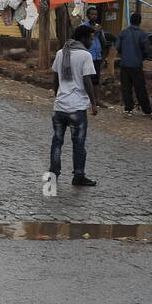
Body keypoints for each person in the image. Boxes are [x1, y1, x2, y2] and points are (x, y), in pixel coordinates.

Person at [49, 23, 100, 187]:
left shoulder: (60, 52)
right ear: (84, 38)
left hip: (60, 107)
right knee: (78, 143)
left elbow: (56, 79)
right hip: (77, 108)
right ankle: (78, 175)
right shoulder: (85, 55)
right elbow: (87, 81)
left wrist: (58, 96)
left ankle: (53, 174)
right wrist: (94, 103)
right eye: (91, 38)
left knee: (57, 142)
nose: (92, 42)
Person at [116, 11, 152, 118]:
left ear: (130, 20)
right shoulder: (142, 34)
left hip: (124, 64)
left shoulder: (123, 33)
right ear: (140, 22)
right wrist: (141, 57)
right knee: (140, 88)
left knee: (126, 87)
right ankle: (146, 109)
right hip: (136, 64)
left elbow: (118, 47)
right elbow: (147, 50)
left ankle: (128, 108)